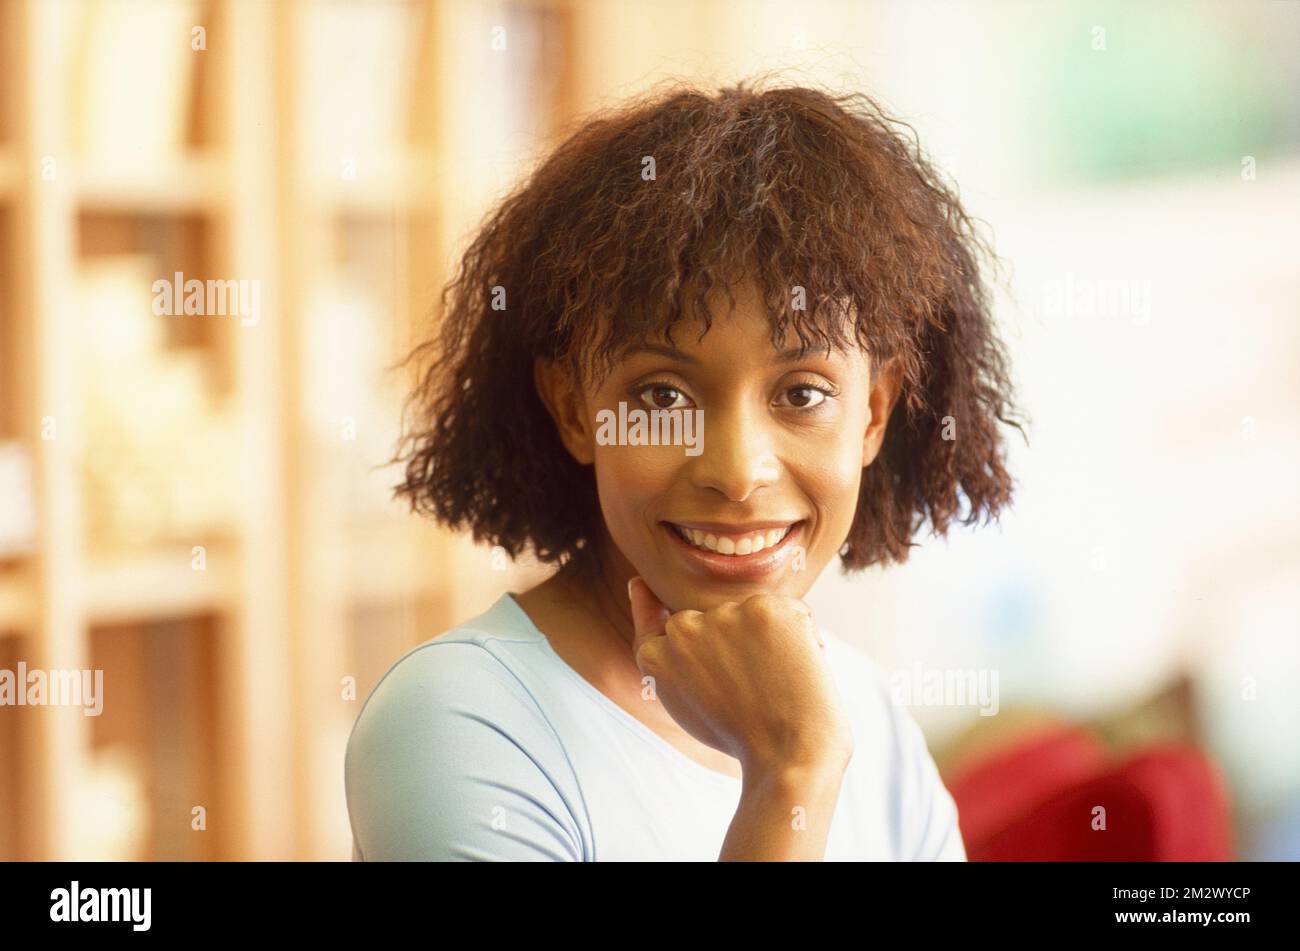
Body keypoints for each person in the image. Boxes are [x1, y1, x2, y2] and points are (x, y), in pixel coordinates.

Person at [345, 78, 1022, 861]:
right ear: (574, 410)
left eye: (802, 392)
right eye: (662, 393)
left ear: (873, 414)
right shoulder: (459, 720)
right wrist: (789, 779)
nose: (737, 471)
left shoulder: (865, 715)